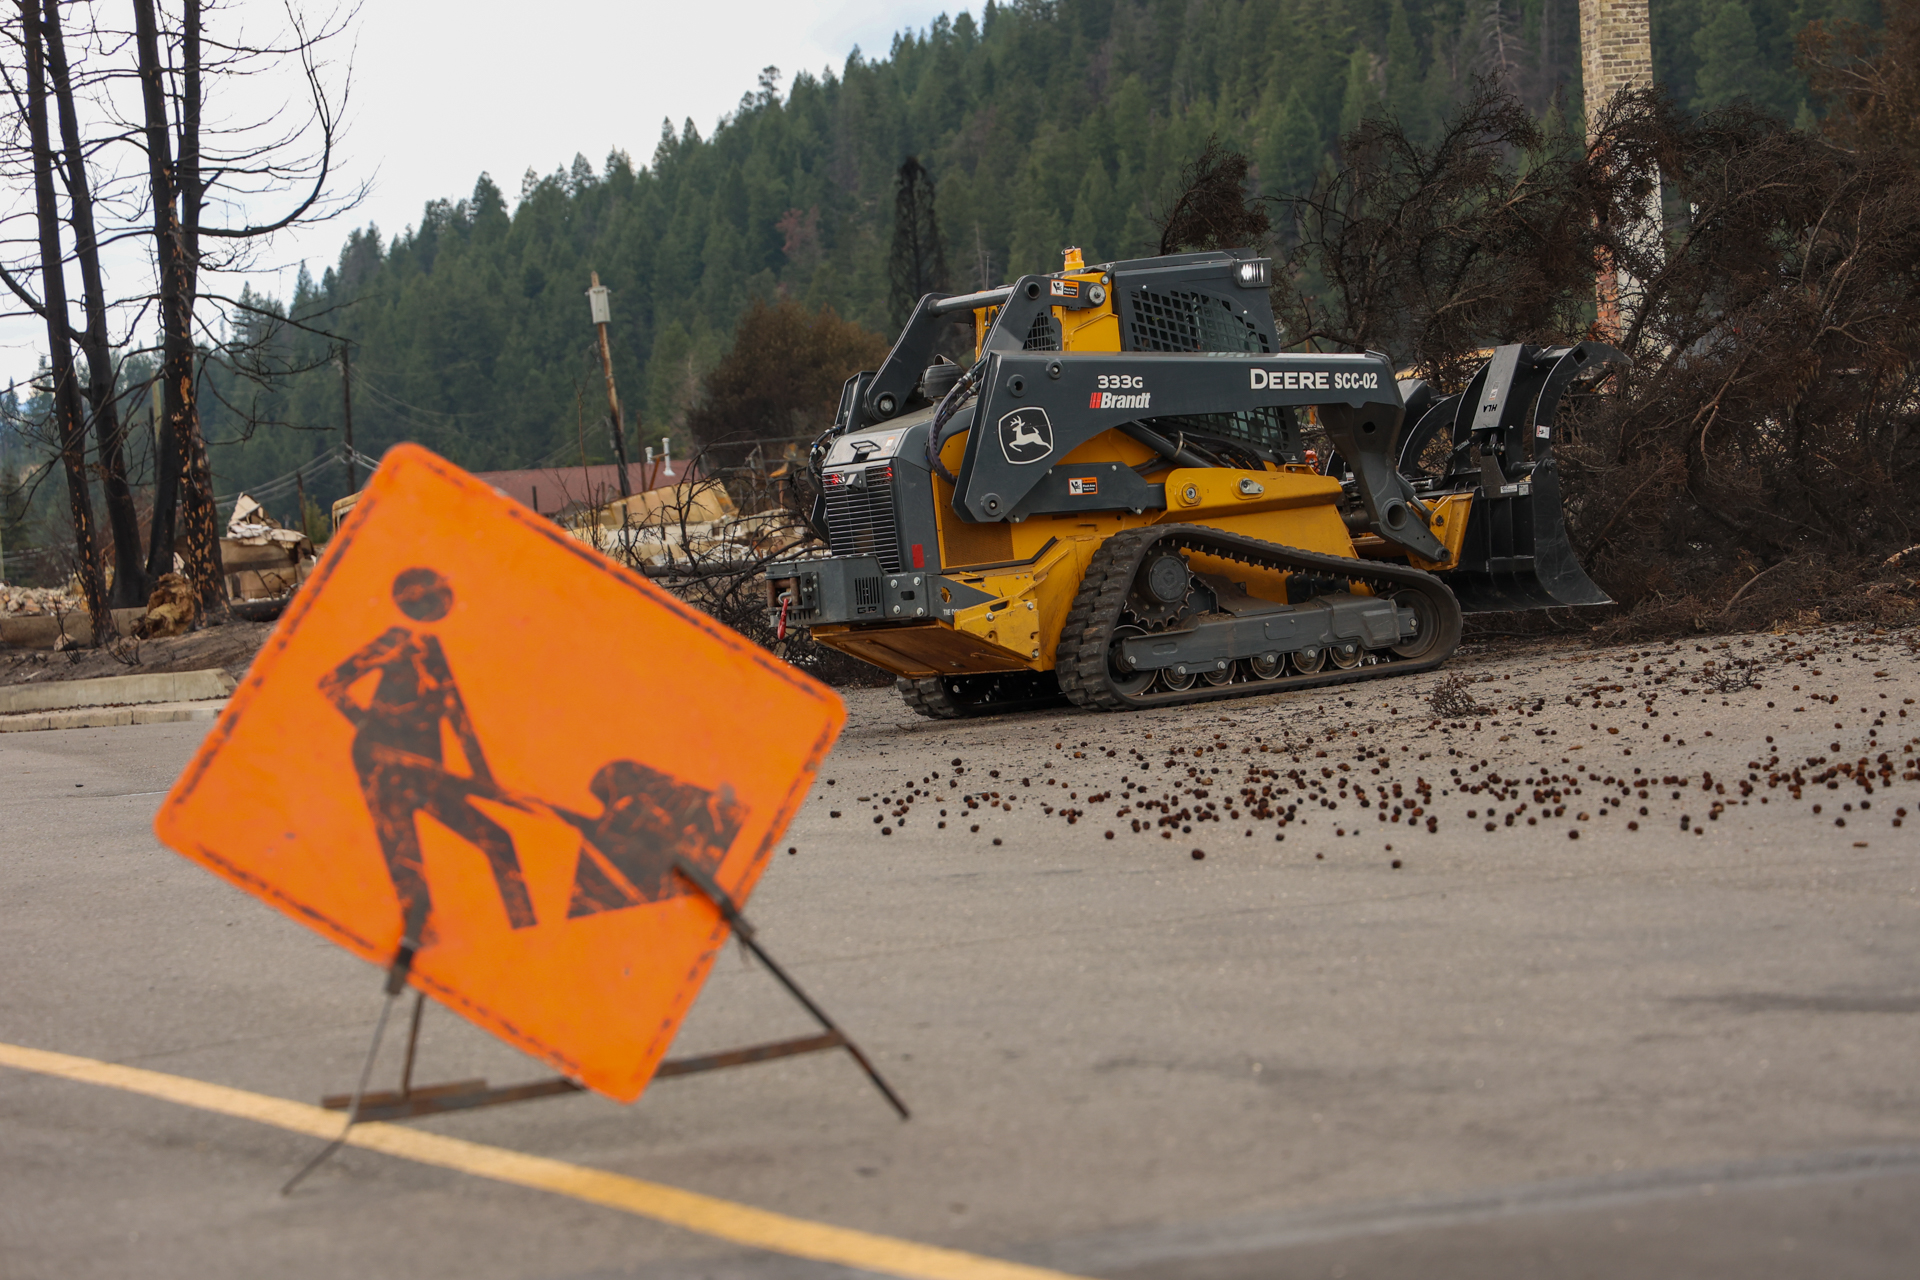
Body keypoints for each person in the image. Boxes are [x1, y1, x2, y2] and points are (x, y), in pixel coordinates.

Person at [318, 567, 537, 931]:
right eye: (433, 599)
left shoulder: (432, 648)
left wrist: (486, 781)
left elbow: (458, 716)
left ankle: (529, 933)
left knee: (498, 840)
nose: (442, 606)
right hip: (381, 766)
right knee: (406, 859)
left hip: (425, 767)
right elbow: (331, 684)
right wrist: (370, 729)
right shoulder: (395, 640)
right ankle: (422, 945)